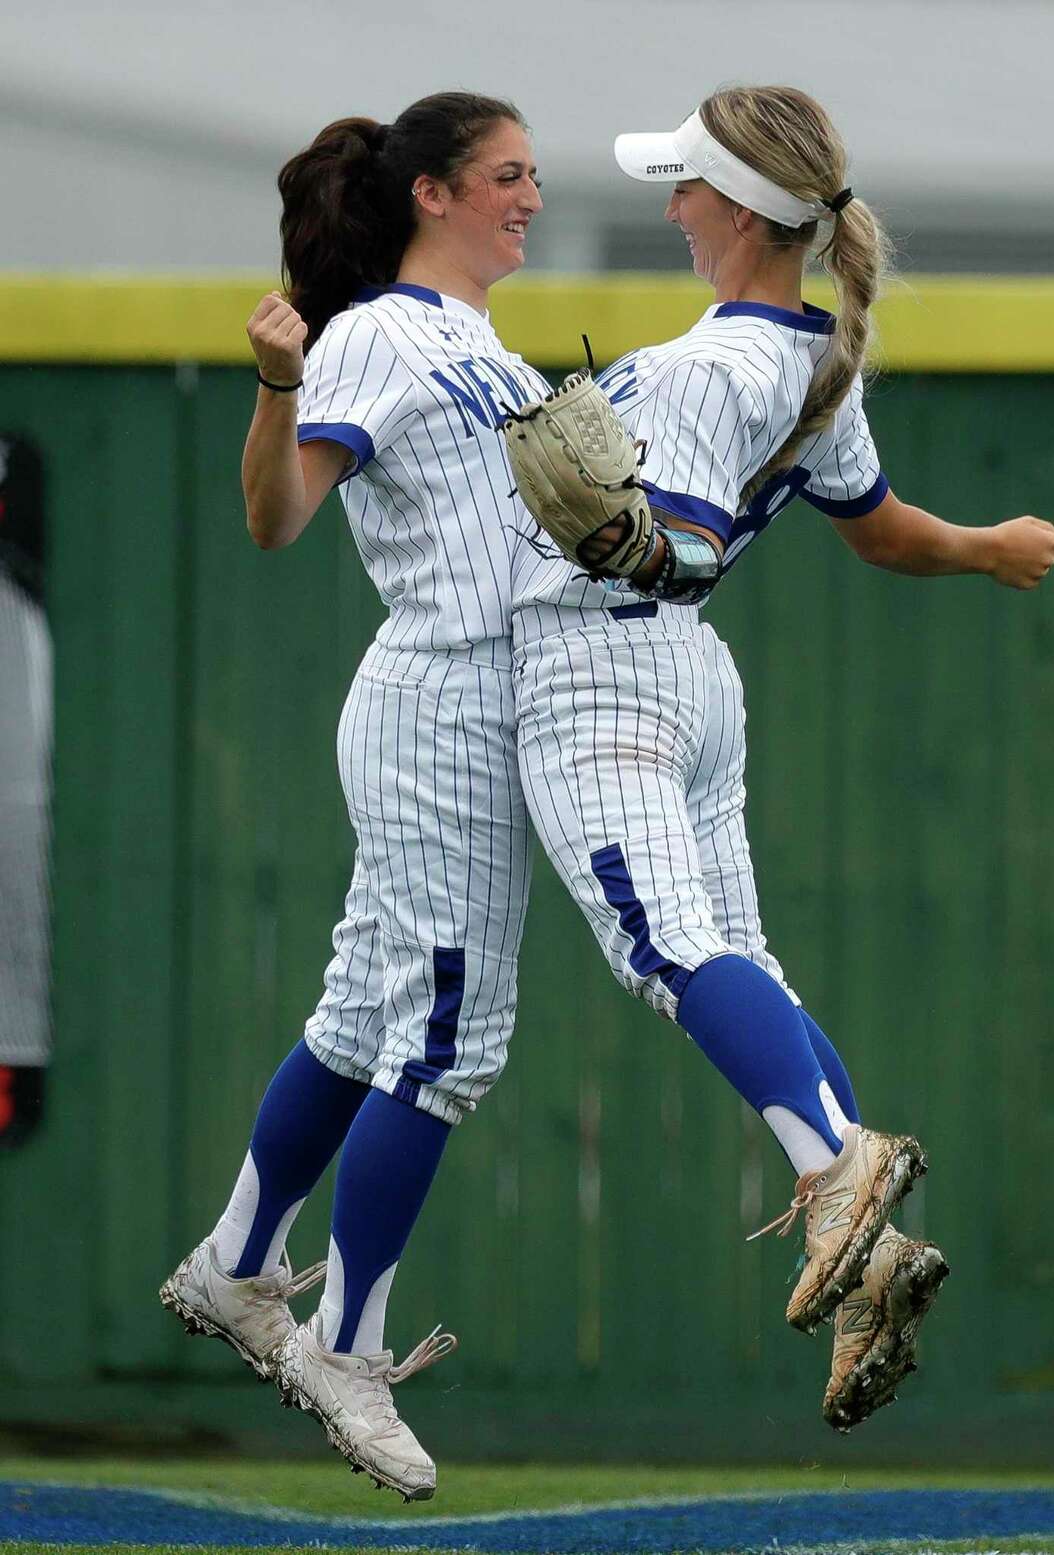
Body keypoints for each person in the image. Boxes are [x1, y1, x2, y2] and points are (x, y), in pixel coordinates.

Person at [508, 86, 1054, 1431]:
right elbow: (875, 528)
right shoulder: (811, 355)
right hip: (689, 682)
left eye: (687, 188)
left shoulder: (713, 371)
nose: (671, 206)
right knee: (739, 964)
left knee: (672, 954)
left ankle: (840, 1174)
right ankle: (868, 1260)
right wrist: (989, 547)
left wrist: (625, 535)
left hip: (612, 665)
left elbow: (684, 541)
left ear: (741, 212)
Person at [160, 92, 550, 1497]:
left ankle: (236, 1262)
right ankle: (344, 1340)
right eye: (508, 174)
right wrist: (277, 384)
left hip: (474, 704)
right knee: (447, 1041)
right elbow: (278, 518)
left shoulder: (474, 341)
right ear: (430, 194)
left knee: (365, 1013)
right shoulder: (381, 334)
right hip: (441, 702)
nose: (533, 194)